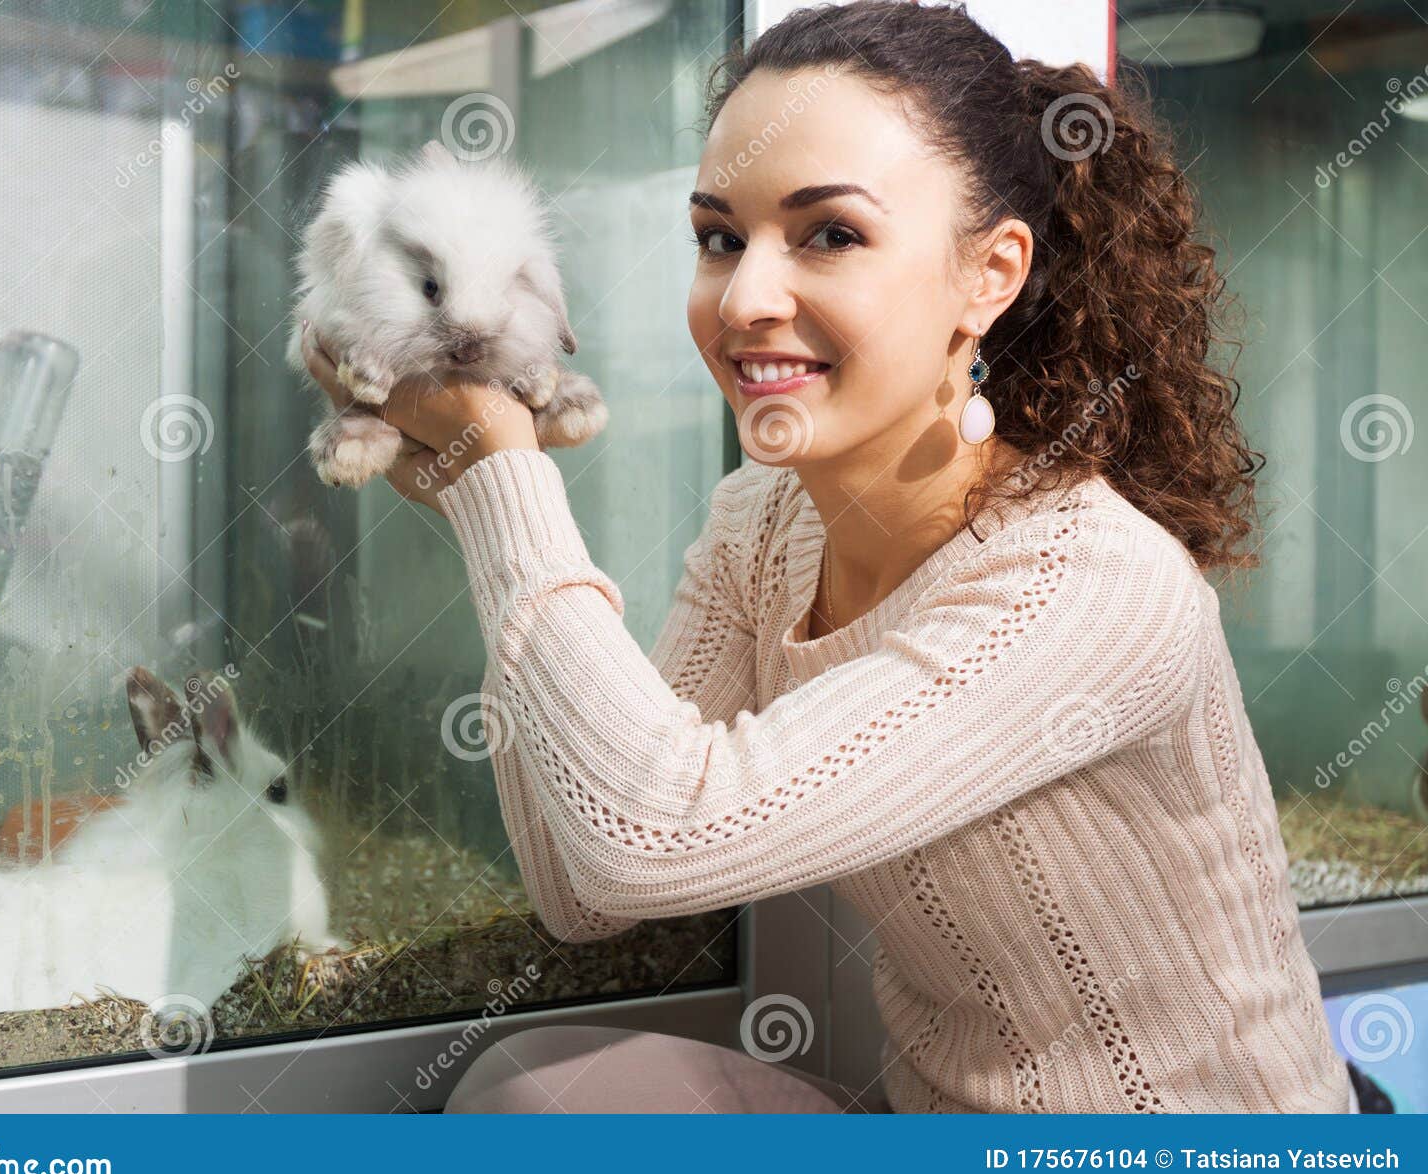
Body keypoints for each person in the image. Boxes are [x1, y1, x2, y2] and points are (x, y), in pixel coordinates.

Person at [299, 1, 1364, 1113]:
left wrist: (507, 473)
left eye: (830, 235)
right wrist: (481, 486)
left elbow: (648, 842)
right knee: (531, 1092)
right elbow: (585, 891)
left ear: (988, 276)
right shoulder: (767, 523)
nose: (748, 299)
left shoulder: (1090, 584)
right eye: (720, 237)